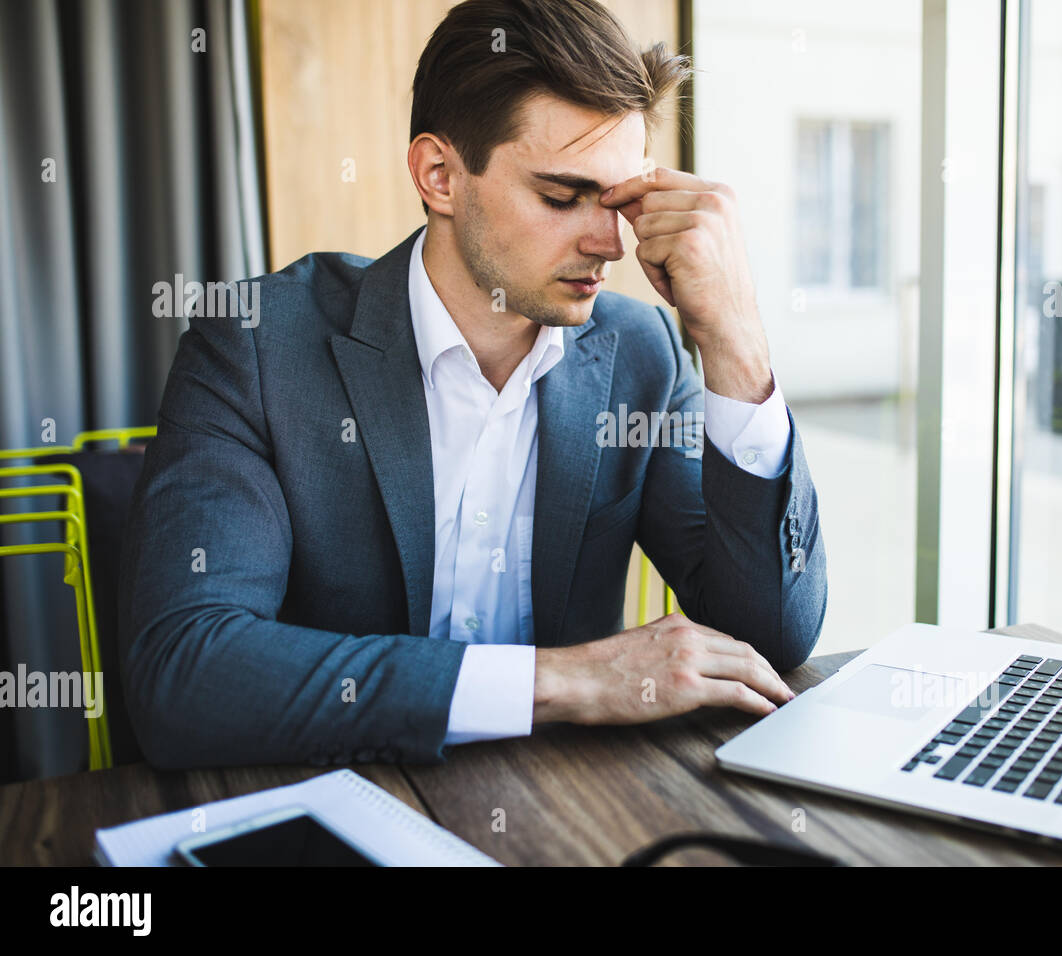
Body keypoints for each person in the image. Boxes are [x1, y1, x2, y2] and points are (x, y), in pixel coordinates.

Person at [118, 0, 827, 769]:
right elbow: (184, 675)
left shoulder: (640, 354)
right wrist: (562, 681)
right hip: (330, 804)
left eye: (623, 200)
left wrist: (735, 336)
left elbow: (770, 634)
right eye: (563, 197)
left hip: (562, 814)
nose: (610, 243)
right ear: (440, 175)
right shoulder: (257, 348)